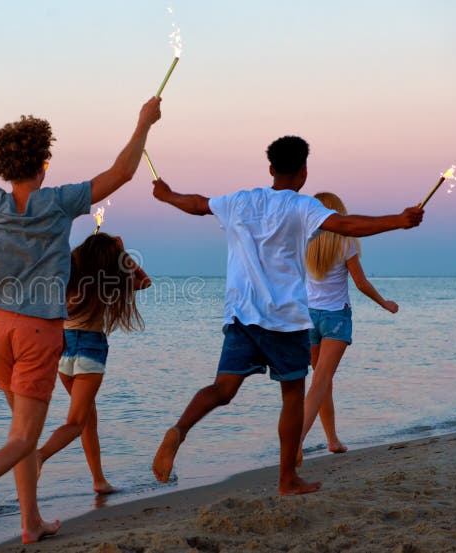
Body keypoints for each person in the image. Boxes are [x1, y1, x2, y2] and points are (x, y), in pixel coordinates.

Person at [0, 72, 161, 546]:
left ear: (3, 165)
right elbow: (122, 173)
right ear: (43, 163)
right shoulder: (58, 203)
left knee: (20, 431)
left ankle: (31, 523)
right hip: (39, 332)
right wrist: (145, 122)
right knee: (24, 438)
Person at [149, 136, 423, 495]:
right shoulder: (302, 207)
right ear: (304, 172)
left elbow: (199, 204)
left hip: (241, 317)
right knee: (293, 394)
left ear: (270, 169)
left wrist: (167, 195)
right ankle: (287, 479)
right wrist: (399, 220)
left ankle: (179, 431)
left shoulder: (240, 201)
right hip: (285, 319)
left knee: (222, 389)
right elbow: (349, 225)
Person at [36, 233, 151, 494]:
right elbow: (144, 281)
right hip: (90, 349)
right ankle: (38, 456)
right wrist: (123, 254)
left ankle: (99, 480)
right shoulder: (107, 282)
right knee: (76, 421)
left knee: (87, 418)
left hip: (64, 352)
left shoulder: (67, 282)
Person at [297, 191, 399, 465]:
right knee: (321, 381)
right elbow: (361, 283)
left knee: (322, 381)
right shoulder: (345, 242)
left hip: (308, 317)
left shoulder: (303, 240)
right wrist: (384, 303)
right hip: (335, 318)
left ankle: (332, 440)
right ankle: (297, 443)